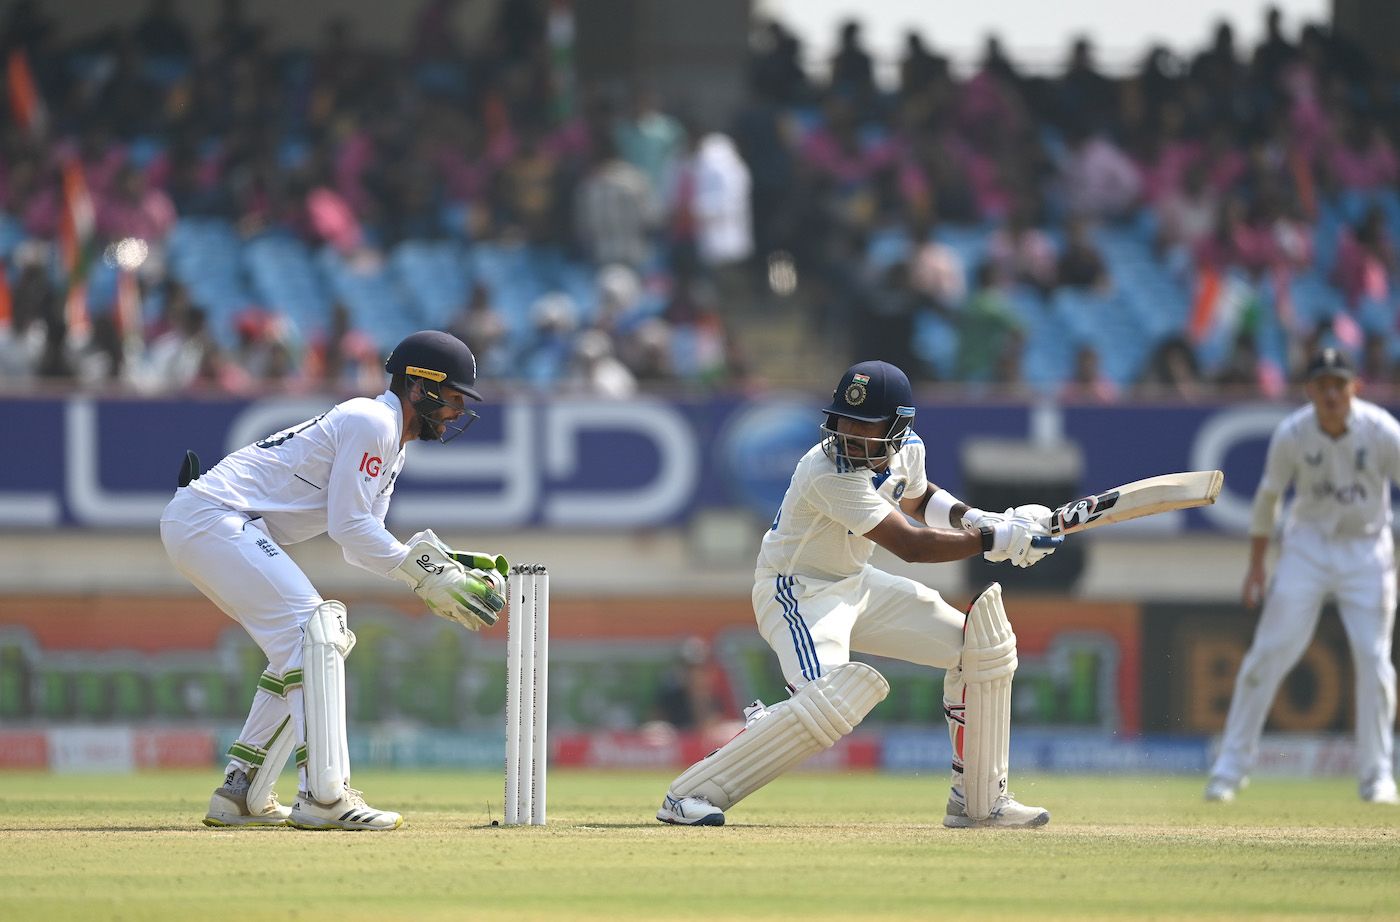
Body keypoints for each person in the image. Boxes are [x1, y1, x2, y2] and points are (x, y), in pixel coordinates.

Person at [655, 360, 1062, 828]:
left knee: (982, 650)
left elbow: (918, 496)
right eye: (842, 421)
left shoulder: (907, 448)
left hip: (856, 582)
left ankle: (978, 800)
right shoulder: (825, 471)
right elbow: (910, 545)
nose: (849, 435)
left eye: (864, 425)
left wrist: (975, 519)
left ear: (898, 425)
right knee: (829, 701)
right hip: (797, 592)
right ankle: (689, 794)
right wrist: (994, 540)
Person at [160, 330, 511, 830]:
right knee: (314, 633)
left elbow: (359, 541)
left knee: (301, 646)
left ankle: (240, 791)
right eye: (452, 397)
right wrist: (427, 575)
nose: (457, 411)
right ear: (418, 387)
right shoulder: (372, 421)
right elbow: (350, 526)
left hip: (214, 524)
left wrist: (439, 568)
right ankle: (323, 797)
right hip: (213, 517)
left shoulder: (391, 446)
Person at [1205, 349, 1400, 805]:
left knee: (1373, 661)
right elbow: (1268, 498)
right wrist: (1256, 565)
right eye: (1322, 385)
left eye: (1339, 384)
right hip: (1307, 546)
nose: (1331, 394)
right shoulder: (1292, 434)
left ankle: (1377, 775)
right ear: (1309, 391)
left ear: (1356, 387)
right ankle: (1230, 769)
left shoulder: (1382, 432)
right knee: (1269, 651)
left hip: (1367, 549)